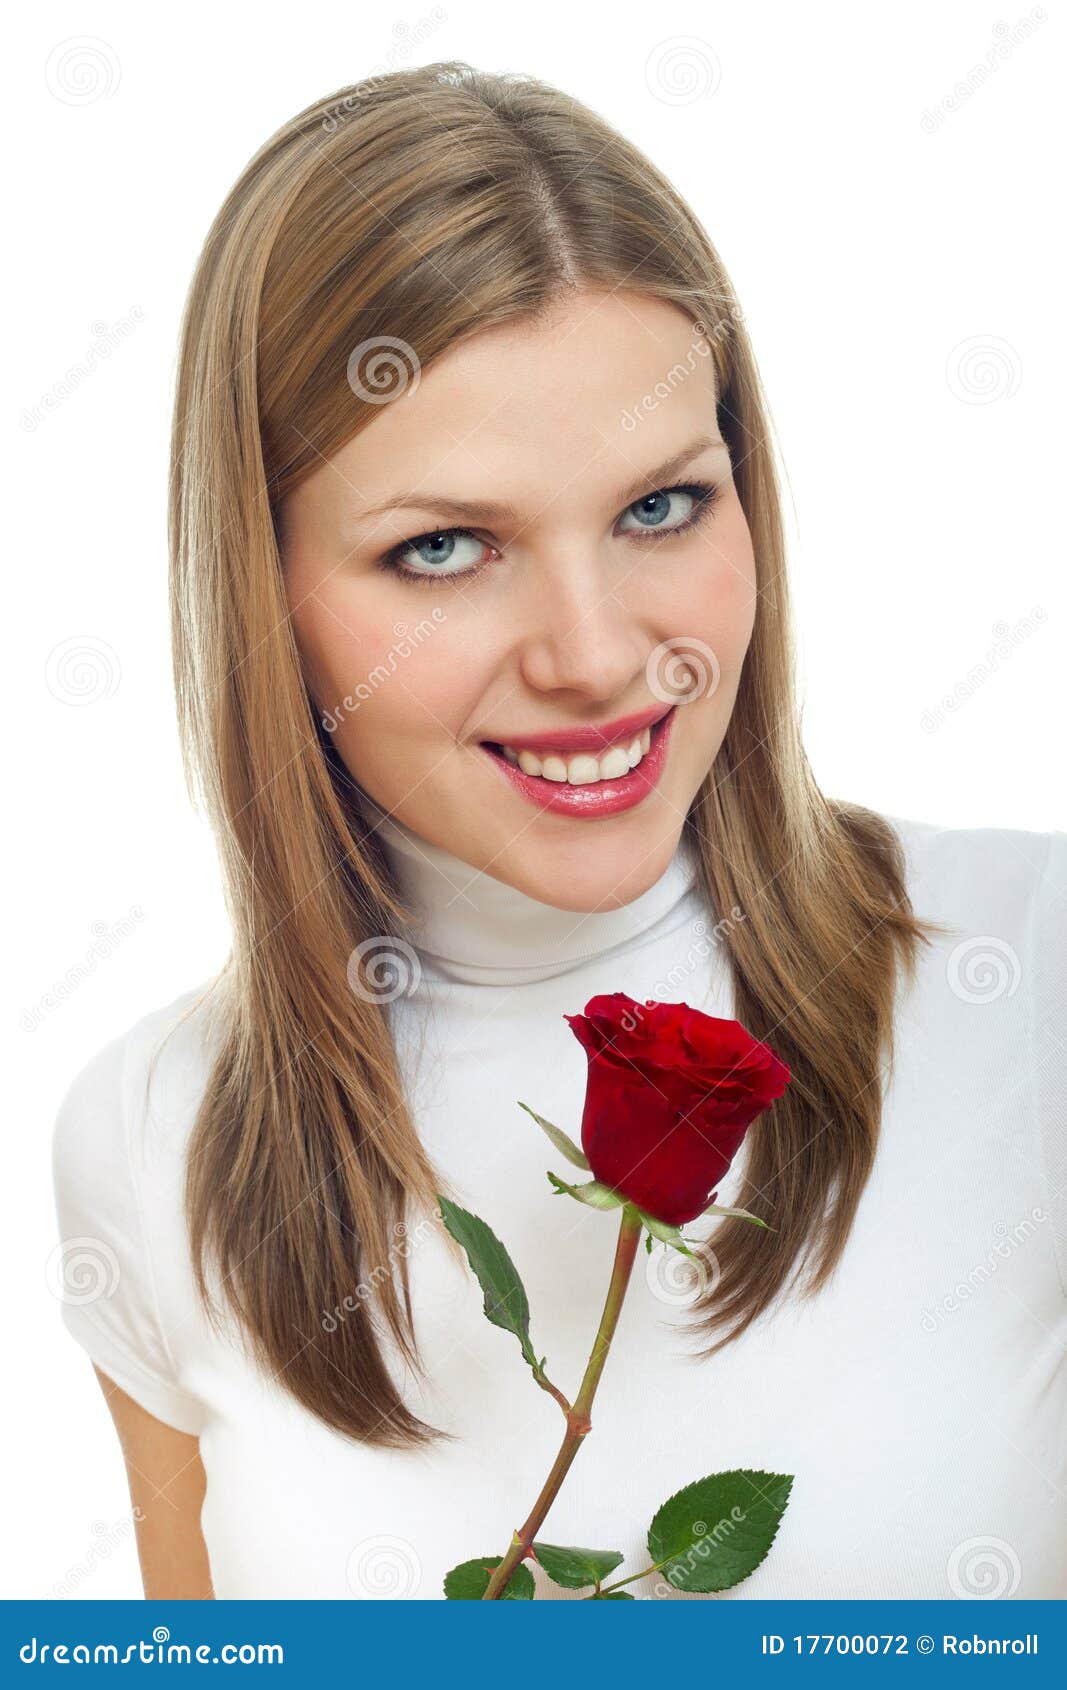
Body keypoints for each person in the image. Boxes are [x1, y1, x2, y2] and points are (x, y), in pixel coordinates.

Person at [51, 61, 1066, 1600]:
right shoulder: (149, 1137)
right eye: (446, 546)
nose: (594, 657)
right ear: (263, 593)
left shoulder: (1031, 978)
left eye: (659, 507)